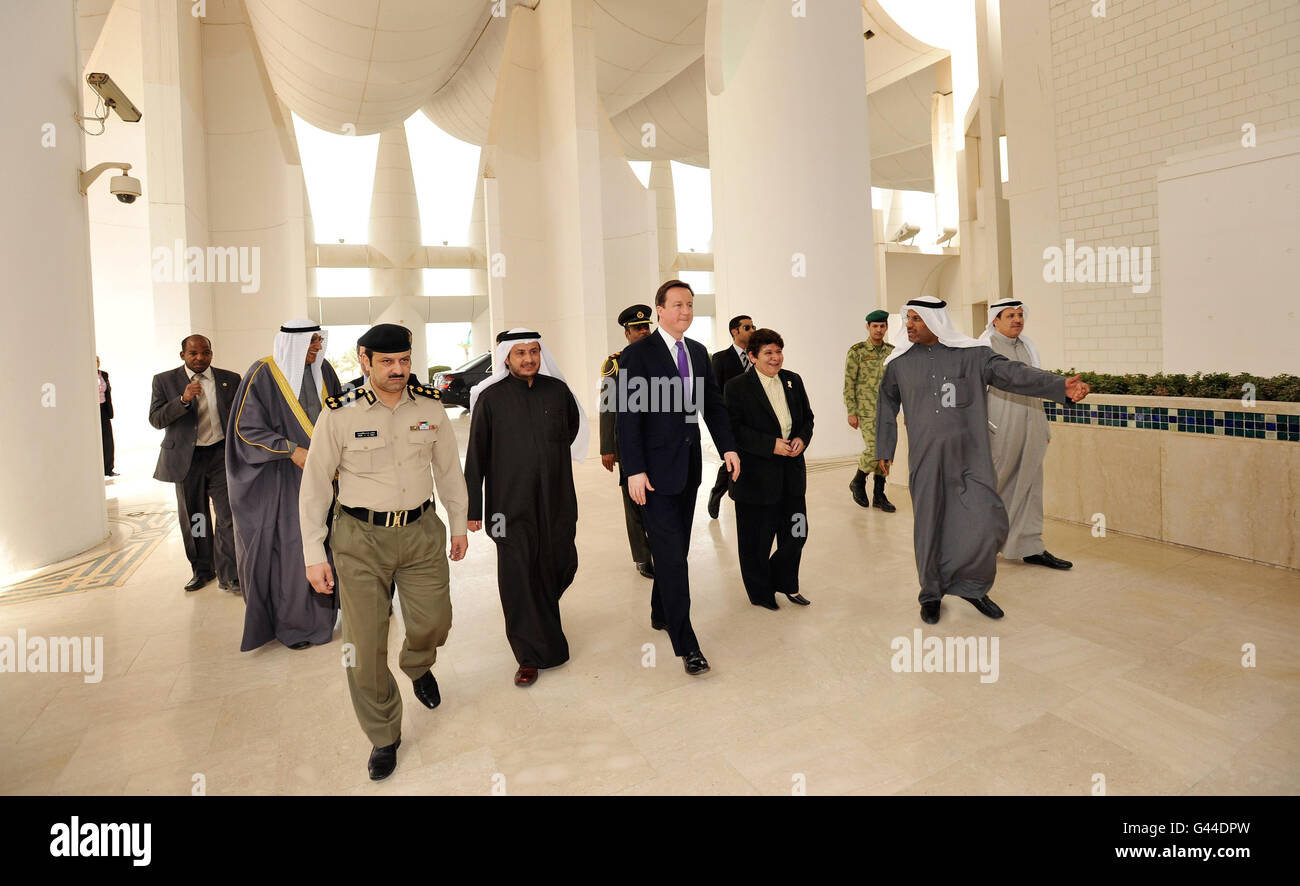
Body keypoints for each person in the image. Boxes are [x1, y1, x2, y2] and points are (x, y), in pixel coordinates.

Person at [299, 323, 468, 781]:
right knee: (364, 645)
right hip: (359, 540)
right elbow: (315, 485)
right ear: (365, 360)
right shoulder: (340, 413)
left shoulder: (431, 407)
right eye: (388, 362)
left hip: (419, 532)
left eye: (405, 360)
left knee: (435, 621)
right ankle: (384, 734)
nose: (398, 370)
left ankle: (418, 664)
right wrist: (314, 552)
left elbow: (450, 471)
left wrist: (458, 524)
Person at [875, 296, 1090, 625]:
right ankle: (931, 593)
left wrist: (1058, 386)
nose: (909, 325)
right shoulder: (899, 365)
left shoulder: (973, 356)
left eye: (917, 319)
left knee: (985, 520)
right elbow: (885, 406)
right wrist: (884, 449)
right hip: (927, 459)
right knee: (929, 525)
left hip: (971, 457)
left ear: (936, 322)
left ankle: (973, 586)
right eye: (909, 318)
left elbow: (1013, 374)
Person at [617, 279, 739, 676]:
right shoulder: (638, 355)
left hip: (687, 470)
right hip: (651, 476)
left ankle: (659, 611)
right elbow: (627, 416)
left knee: (675, 552)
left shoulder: (699, 353)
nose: (686, 311)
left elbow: (714, 408)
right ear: (660, 310)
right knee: (672, 558)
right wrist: (633, 468)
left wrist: (728, 448)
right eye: (678, 305)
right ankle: (687, 644)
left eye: (690, 304)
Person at [466, 328, 586, 687]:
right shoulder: (490, 399)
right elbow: (476, 457)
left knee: (557, 564)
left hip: (556, 500)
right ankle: (529, 655)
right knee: (518, 575)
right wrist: (474, 508)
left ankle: (544, 629)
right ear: (506, 358)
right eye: (520, 353)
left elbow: (571, 429)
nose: (529, 359)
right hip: (507, 507)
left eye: (533, 351)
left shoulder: (557, 392)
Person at [227, 319, 343, 651]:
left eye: (319, 341)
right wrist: (291, 450)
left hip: (323, 476)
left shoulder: (326, 373)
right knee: (293, 551)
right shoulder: (262, 374)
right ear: (293, 344)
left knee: (325, 543)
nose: (318, 348)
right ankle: (294, 624)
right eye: (311, 342)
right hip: (280, 480)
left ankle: (323, 617)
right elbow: (245, 429)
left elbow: (339, 414)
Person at [978, 297, 1072, 570]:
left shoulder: (1028, 347)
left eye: (1020, 315)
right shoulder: (984, 348)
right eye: (1010, 315)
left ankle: (1029, 546)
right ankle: (982, 546)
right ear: (995, 320)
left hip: (1031, 421)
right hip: (998, 425)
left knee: (1031, 483)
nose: (1017, 319)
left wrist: (1042, 425)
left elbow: (1038, 386)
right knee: (995, 485)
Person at [724, 328, 814, 610]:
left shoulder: (793, 380)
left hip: (792, 475)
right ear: (752, 356)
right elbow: (733, 429)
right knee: (756, 542)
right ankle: (761, 593)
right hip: (755, 478)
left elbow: (807, 418)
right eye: (768, 353)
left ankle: (784, 581)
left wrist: (801, 438)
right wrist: (769, 445)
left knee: (797, 533)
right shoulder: (737, 387)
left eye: (778, 352)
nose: (776, 358)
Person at [148, 335, 241, 592]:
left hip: (221, 456)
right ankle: (203, 570)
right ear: (183, 356)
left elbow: (240, 416)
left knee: (227, 515)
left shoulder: (230, 379)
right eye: (193, 353)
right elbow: (156, 419)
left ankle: (230, 574)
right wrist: (182, 400)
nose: (200, 358)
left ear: (212, 353)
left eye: (205, 352)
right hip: (187, 461)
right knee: (197, 517)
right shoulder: (165, 381)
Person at [599, 305, 655, 580]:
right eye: (637, 328)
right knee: (634, 501)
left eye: (647, 327)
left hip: (660, 444)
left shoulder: (664, 356)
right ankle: (643, 557)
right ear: (627, 333)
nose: (644, 331)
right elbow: (608, 405)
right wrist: (607, 447)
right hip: (629, 443)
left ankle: (661, 548)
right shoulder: (616, 363)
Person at [843, 309, 895, 511]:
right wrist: (851, 411)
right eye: (875, 326)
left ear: (886, 327)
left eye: (882, 326)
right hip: (866, 410)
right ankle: (858, 480)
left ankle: (879, 494)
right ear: (868, 327)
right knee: (874, 449)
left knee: (886, 450)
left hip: (887, 409)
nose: (879, 330)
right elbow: (849, 382)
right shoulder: (857, 351)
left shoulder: (892, 351)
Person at [707, 314, 755, 518]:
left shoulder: (756, 356)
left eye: (753, 326)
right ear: (734, 332)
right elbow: (714, 393)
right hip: (731, 421)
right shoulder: (721, 358)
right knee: (733, 459)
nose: (752, 330)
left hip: (753, 421)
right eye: (747, 328)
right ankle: (717, 493)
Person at [97, 357, 117, 477]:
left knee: (108, 440)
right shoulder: (86, 374)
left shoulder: (104, 374)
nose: (96, 364)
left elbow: (107, 391)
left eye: (97, 361)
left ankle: (108, 469)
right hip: (92, 410)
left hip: (104, 408)